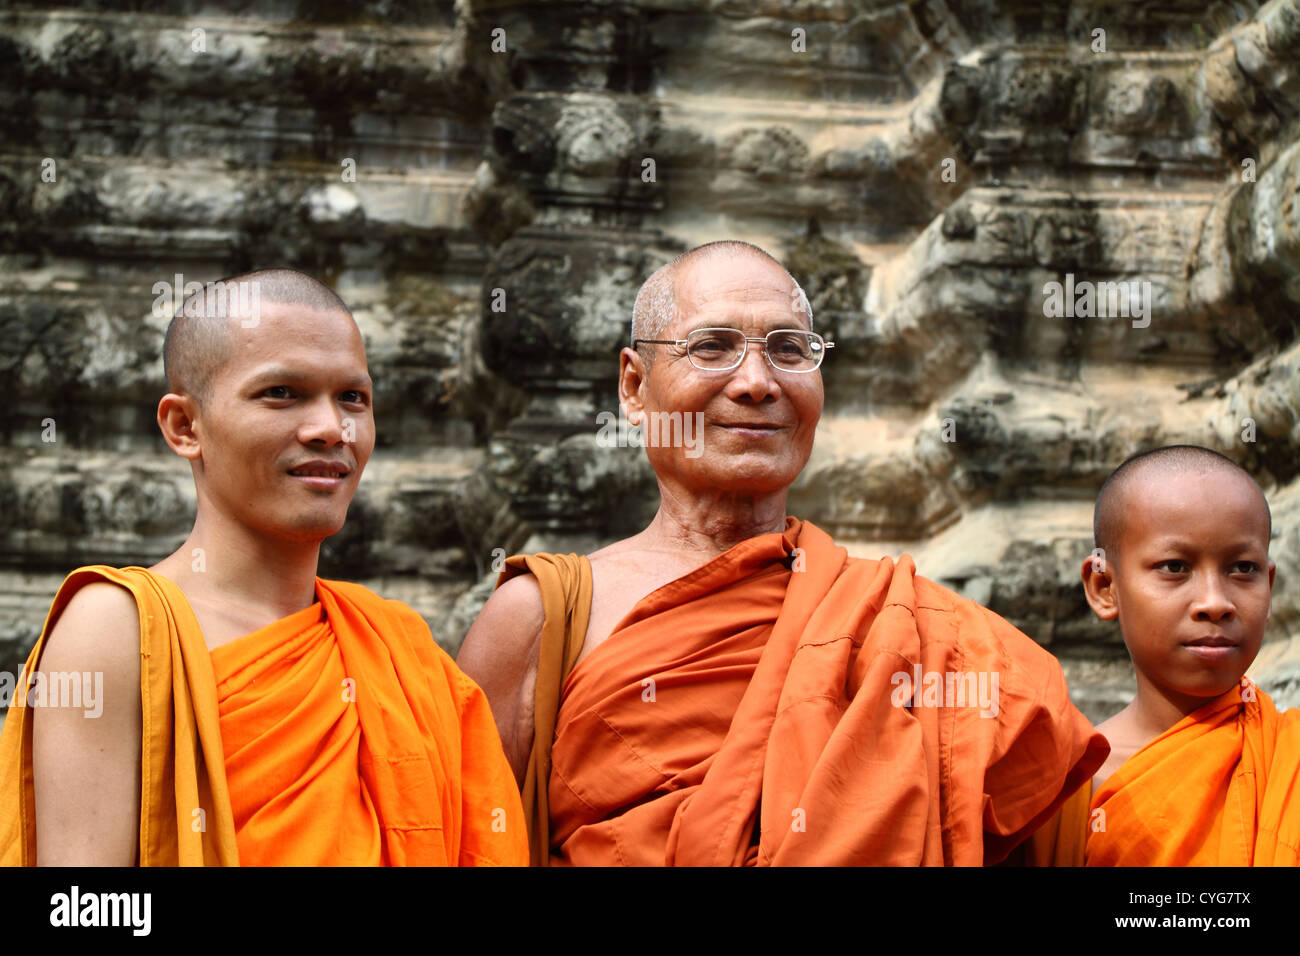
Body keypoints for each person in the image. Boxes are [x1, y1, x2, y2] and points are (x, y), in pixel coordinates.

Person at [458, 240, 1107, 866]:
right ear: (634, 388)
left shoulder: (909, 627)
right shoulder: (544, 619)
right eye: (712, 347)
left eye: (789, 350)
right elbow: (465, 843)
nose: (756, 382)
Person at [0, 269, 527, 866]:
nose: (332, 429)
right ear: (185, 426)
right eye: (282, 393)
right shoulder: (119, 631)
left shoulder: (402, 652)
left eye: (353, 397)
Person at [1026, 445, 1299, 866]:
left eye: (1243, 568)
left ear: (1270, 582)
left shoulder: (1289, 760)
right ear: (1104, 587)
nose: (1214, 602)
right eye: (1175, 567)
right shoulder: (1059, 789)